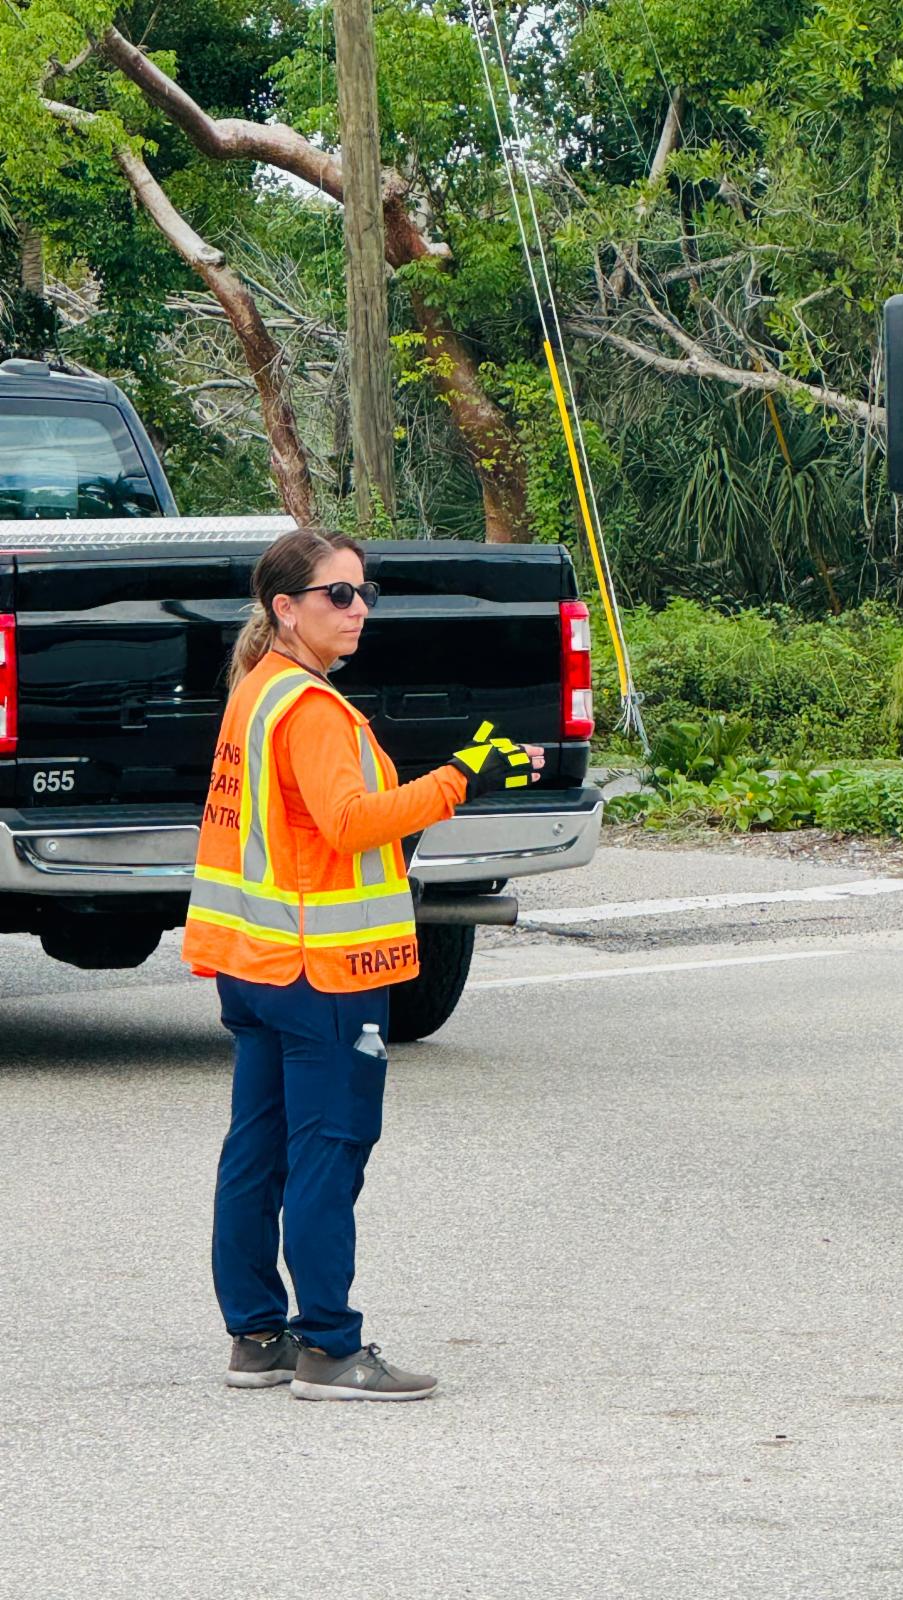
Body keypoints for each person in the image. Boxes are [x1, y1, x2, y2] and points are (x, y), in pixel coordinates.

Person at [182, 527, 542, 1401]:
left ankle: (257, 1336)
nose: (358, 610)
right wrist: (460, 777)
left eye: (363, 593)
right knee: (328, 1154)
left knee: (258, 1151)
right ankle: (331, 1349)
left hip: (259, 962)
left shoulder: (260, 692)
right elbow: (349, 825)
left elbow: (322, 825)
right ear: (285, 609)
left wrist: (447, 780)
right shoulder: (309, 709)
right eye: (337, 595)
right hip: (323, 972)